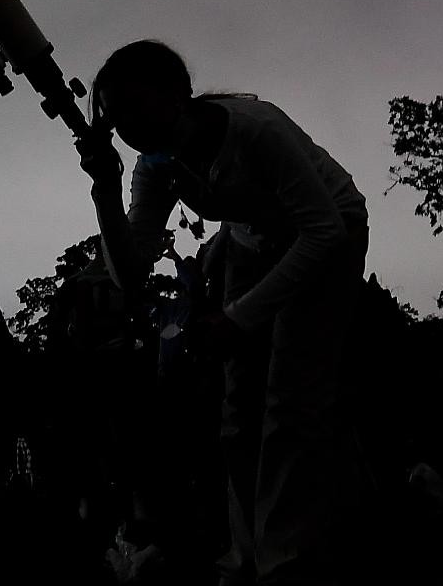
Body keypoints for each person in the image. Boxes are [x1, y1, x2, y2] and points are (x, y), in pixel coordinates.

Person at [78, 40, 369, 585]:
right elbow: (131, 270)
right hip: (252, 241)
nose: (129, 127)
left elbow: (323, 229)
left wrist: (239, 318)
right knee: (237, 408)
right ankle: (244, 553)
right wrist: (105, 190)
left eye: (135, 107)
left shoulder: (256, 129)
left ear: (177, 94)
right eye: (116, 118)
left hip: (331, 232)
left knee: (290, 399)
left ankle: (284, 558)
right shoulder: (154, 166)